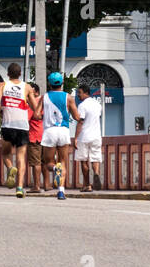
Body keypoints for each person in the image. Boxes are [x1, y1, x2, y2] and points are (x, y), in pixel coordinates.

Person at [0, 62, 38, 199]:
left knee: (5, 154)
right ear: (20, 74)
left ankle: (10, 168)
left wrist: (1, 112)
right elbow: (35, 106)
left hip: (8, 125)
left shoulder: (2, 85)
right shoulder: (26, 87)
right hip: (22, 126)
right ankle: (19, 187)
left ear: (8, 74)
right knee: (21, 157)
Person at [41, 72, 74, 200]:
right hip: (64, 131)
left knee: (48, 162)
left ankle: (55, 169)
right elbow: (76, 116)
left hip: (50, 131)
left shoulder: (44, 97)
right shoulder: (68, 97)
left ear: (49, 83)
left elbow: (38, 114)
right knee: (63, 162)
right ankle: (61, 191)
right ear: (62, 83)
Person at [73, 82, 104, 191]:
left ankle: (87, 185)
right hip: (96, 136)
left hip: (84, 136)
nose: (78, 95)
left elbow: (81, 122)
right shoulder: (97, 104)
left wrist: (75, 138)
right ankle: (96, 173)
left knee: (84, 160)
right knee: (95, 158)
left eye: (79, 93)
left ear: (86, 93)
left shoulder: (82, 105)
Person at [26, 80, 46, 195]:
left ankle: (37, 186)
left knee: (36, 163)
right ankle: (47, 184)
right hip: (46, 136)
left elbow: (26, 120)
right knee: (44, 162)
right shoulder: (45, 103)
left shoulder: (33, 106)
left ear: (36, 93)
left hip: (34, 136)